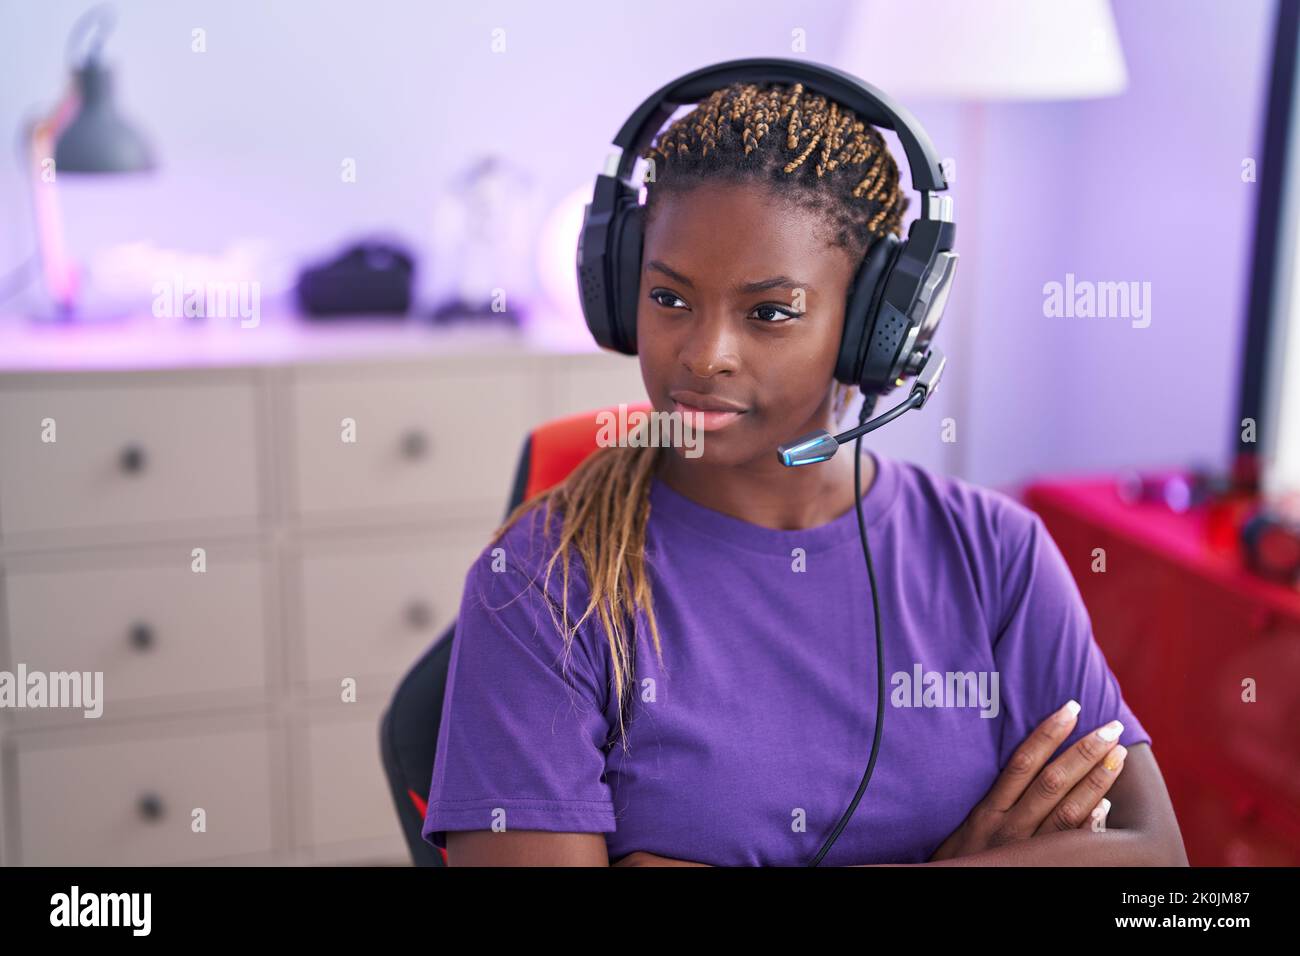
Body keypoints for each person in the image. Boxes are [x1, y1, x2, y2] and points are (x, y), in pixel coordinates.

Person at [421, 79, 1187, 866]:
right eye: (668, 297)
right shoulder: (544, 581)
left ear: (874, 329)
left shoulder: (994, 552)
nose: (704, 353)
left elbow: (1157, 866)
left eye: (770, 312)